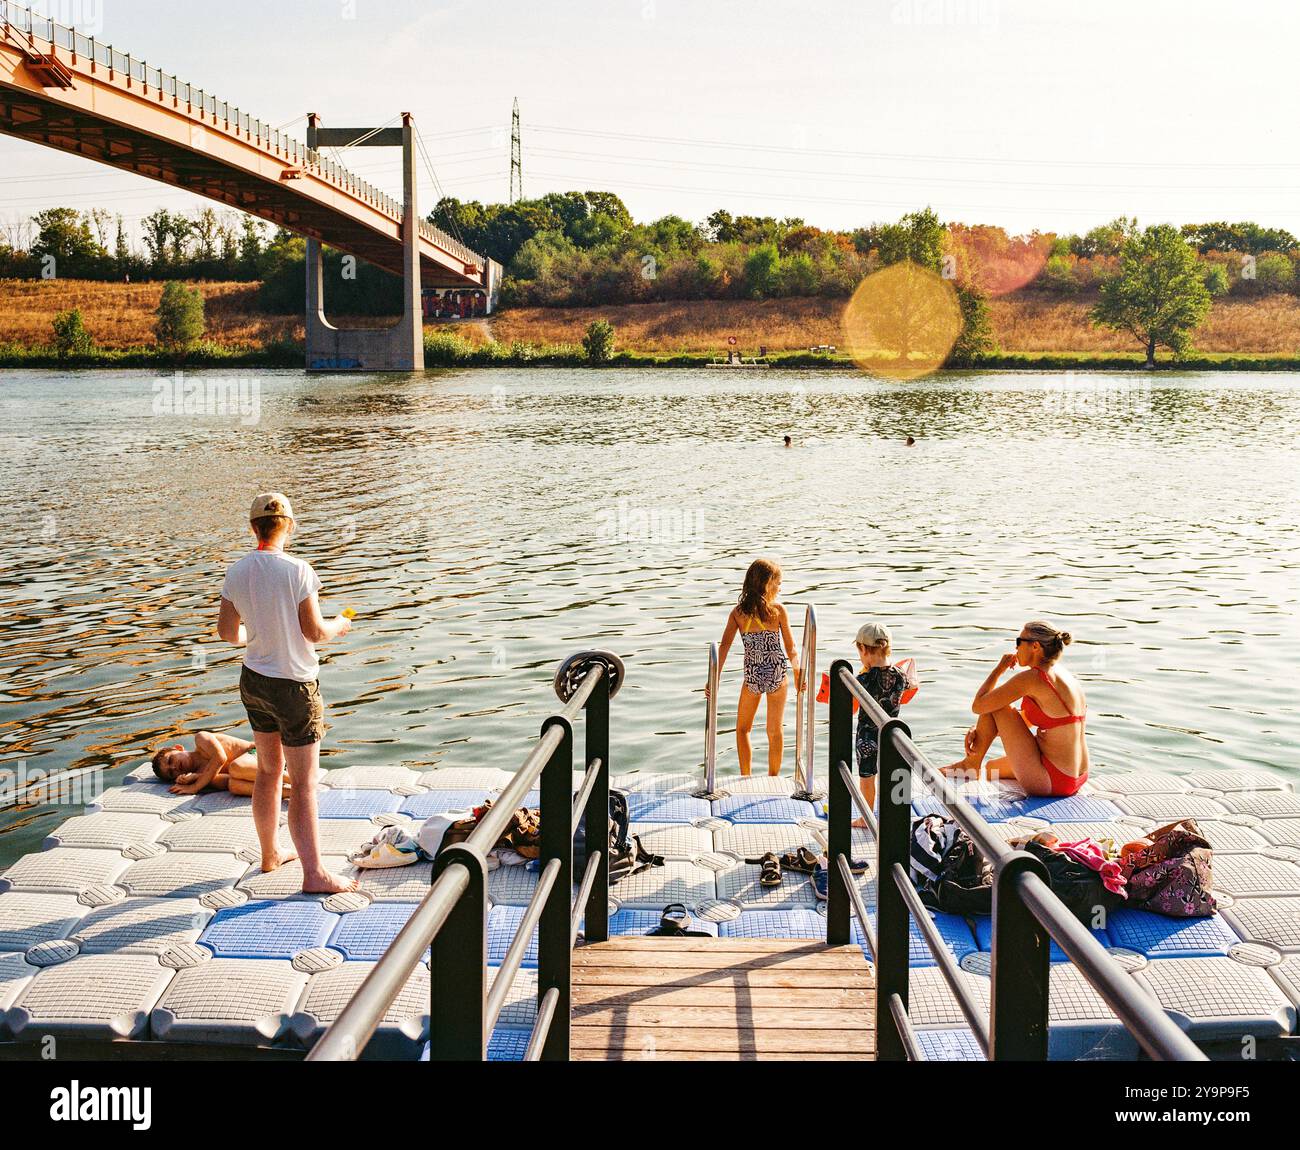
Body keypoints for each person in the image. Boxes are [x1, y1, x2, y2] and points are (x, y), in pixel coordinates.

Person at [218, 492, 356, 892]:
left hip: (254, 679)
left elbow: (228, 633)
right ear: (290, 526)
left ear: (252, 528)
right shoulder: (298, 570)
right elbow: (313, 632)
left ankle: (269, 854)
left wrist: (257, 636)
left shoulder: (236, 571)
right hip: (294, 685)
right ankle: (314, 874)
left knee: (266, 771)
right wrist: (338, 626)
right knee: (305, 782)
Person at [945, 620, 1089, 796]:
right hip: (1077, 775)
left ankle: (970, 765)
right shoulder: (1064, 675)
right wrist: (981, 731)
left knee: (997, 705)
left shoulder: (1033, 678)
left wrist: (999, 669)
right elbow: (1025, 722)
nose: (1015, 648)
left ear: (1035, 646)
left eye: (1019, 642)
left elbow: (979, 705)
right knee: (991, 769)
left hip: (1053, 780)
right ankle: (974, 765)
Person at [709, 559, 801, 776]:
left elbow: (723, 648)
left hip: (753, 674)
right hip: (777, 673)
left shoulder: (738, 613)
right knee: (774, 731)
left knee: (742, 729)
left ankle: (746, 776)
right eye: (778, 583)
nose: (780, 588)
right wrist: (798, 673)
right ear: (768, 583)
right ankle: (773, 778)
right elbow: (791, 648)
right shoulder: (778, 611)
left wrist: (714, 679)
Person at [851, 622, 912, 827]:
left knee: (868, 778)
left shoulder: (862, 679)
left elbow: (851, 707)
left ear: (863, 649)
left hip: (867, 736)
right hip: (891, 735)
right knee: (889, 775)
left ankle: (866, 817)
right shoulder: (901, 676)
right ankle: (892, 817)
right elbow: (907, 692)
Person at [150, 731, 319, 797]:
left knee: (236, 766)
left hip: (262, 755)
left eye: (171, 760)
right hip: (257, 772)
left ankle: (299, 783)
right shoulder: (204, 775)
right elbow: (228, 780)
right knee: (234, 786)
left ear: (178, 747)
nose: (174, 767)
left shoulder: (201, 739)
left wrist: (195, 787)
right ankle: (290, 793)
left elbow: (220, 758)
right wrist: (199, 777)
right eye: (171, 773)